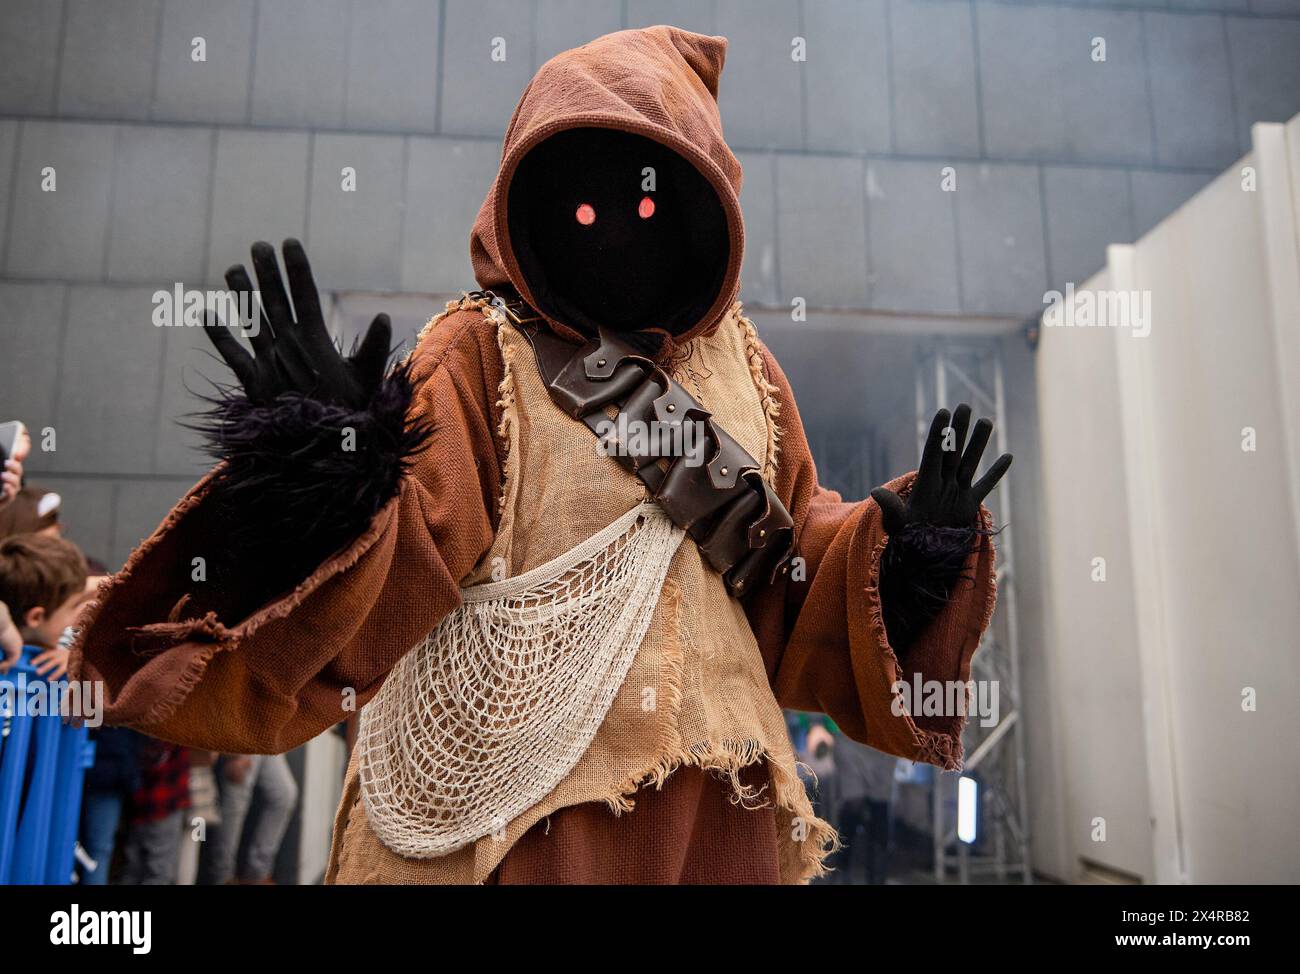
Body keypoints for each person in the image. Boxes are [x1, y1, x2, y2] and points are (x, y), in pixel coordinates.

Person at [73, 27, 1009, 884]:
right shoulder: (482, 351)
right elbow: (402, 558)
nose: (613, 226)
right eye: (583, 203)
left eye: (647, 199)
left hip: (724, 820)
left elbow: (790, 574)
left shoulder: (749, 373)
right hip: (519, 824)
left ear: (702, 201)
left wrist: (909, 552)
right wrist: (325, 463)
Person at [198, 753, 299, 885]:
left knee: (284, 794)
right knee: (236, 797)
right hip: (238, 740)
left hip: (264, 736)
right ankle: (223, 878)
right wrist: (232, 753)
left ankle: (256, 874)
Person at [0, 533, 87, 680]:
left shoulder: (70, 650)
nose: (81, 612)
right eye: (74, 606)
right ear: (36, 617)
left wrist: (74, 657)